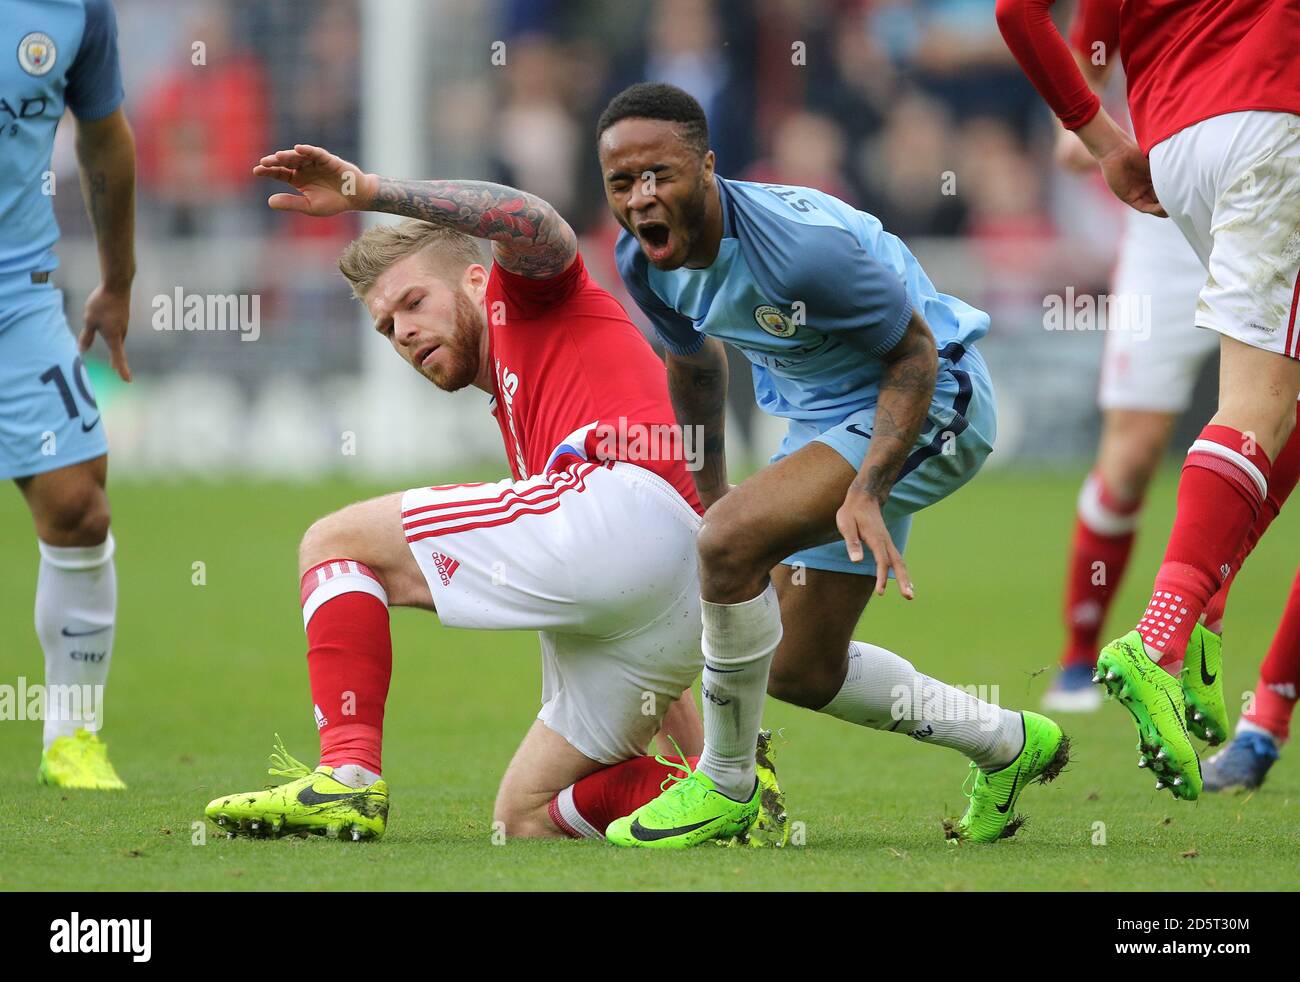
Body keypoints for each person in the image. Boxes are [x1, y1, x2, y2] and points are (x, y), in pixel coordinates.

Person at [204, 144, 785, 843]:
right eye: (388, 328)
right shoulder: (531, 405)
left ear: (479, 282)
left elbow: (529, 218)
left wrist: (370, 190)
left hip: (633, 508)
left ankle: (347, 778)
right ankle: (725, 789)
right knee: (526, 816)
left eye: (414, 302)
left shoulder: (531, 298)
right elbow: (636, 630)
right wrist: (700, 752)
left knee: (334, 543)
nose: (405, 332)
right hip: (677, 578)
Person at [596, 83, 1069, 849]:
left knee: (726, 545)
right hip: (828, 419)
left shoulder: (802, 249)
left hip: (929, 398)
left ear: (709, 168)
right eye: (622, 183)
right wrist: (714, 489)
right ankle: (1010, 745)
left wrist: (868, 485)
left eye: (662, 175)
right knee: (800, 668)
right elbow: (695, 366)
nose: (643, 199)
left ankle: (726, 785)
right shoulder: (644, 262)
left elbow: (913, 355)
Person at [998, 0, 1300, 801]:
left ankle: (1250, 694)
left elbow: (1015, 13)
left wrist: (1100, 139)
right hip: (1271, 126)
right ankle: (1162, 634)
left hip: (1179, 159)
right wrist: (1097, 137)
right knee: (1256, 407)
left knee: (1271, 408)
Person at [3, 0, 136, 789]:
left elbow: (104, 134)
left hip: (15, 301)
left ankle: (71, 737)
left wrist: (117, 280)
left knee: (79, 506)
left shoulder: (78, 9)